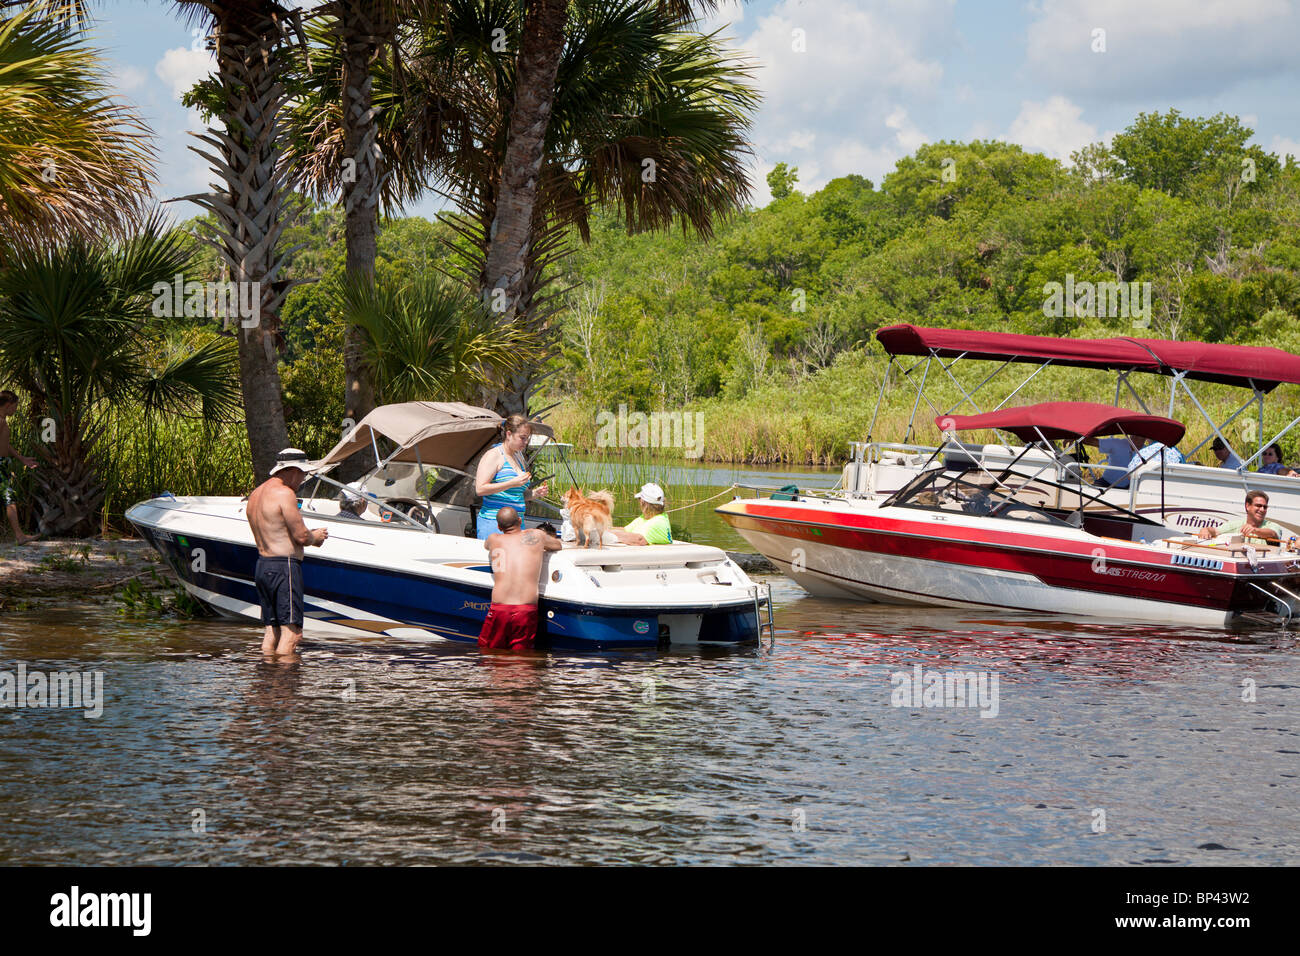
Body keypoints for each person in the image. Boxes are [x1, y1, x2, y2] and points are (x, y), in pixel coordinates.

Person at [246, 448, 329, 656]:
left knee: (272, 631)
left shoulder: (255, 494)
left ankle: (268, 681)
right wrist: (316, 537)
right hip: (285, 568)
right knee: (292, 634)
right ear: (292, 470)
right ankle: (285, 686)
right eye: (302, 474)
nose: (302, 479)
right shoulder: (285, 493)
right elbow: (301, 536)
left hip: (263, 566)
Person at [479, 506, 561, 650]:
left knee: (490, 653)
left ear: (499, 526)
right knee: (522, 659)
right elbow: (557, 545)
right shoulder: (536, 536)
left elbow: (487, 546)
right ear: (519, 520)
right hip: (525, 608)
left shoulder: (494, 539)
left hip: (499, 607)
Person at [474, 414, 548, 540]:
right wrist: (511, 483)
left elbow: (516, 494)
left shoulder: (518, 456)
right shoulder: (494, 455)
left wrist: (534, 493)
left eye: (527, 439)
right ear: (509, 434)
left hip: (518, 525)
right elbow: (480, 489)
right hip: (495, 524)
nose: (525, 443)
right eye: (522, 438)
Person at [0, 390, 37, 544]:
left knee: (9, 498)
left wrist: (21, 458)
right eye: (15, 406)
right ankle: (19, 536)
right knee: (9, 498)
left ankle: (19, 535)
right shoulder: (0, 421)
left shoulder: (3, 420)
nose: (16, 410)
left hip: (3, 463)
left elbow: (5, 445)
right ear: (8, 405)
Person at [1196, 490, 1285, 543]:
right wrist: (1206, 530)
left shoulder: (1272, 526)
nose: (1262, 509)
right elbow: (1215, 531)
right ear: (1248, 506)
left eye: (1265, 507)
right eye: (1258, 506)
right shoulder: (1236, 524)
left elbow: (1273, 534)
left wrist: (1255, 530)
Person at [1099, 436, 1183, 490]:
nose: (1136, 438)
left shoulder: (1144, 452)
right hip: (1162, 489)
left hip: (1137, 488)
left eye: (1140, 436)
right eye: (1134, 435)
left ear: (1147, 439)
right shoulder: (1177, 453)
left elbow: (1130, 475)